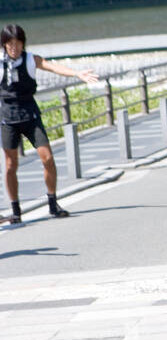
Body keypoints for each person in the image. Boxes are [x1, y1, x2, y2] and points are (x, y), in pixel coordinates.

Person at [1, 24, 99, 224]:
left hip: (31, 115)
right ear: (4, 45)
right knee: (11, 165)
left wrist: (76, 74)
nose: (15, 48)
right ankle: (15, 209)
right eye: (10, 45)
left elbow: (53, 66)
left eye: (18, 44)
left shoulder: (30, 59)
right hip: (7, 118)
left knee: (48, 158)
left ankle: (53, 203)